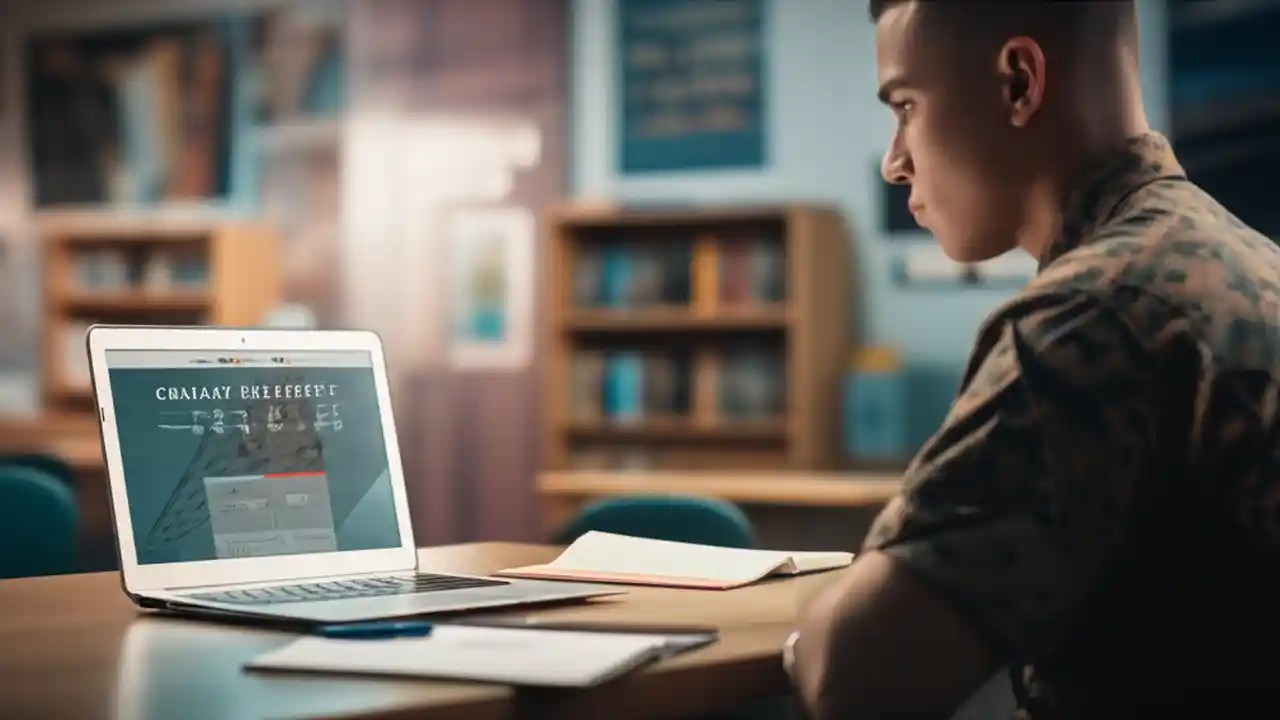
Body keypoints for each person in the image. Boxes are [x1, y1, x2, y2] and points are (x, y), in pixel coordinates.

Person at [784, 1, 1280, 718]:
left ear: (1019, 82)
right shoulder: (1254, 261)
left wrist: (808, 636)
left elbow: (857, 678)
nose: (895, 162)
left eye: (906, 106)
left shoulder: (1090, 315)